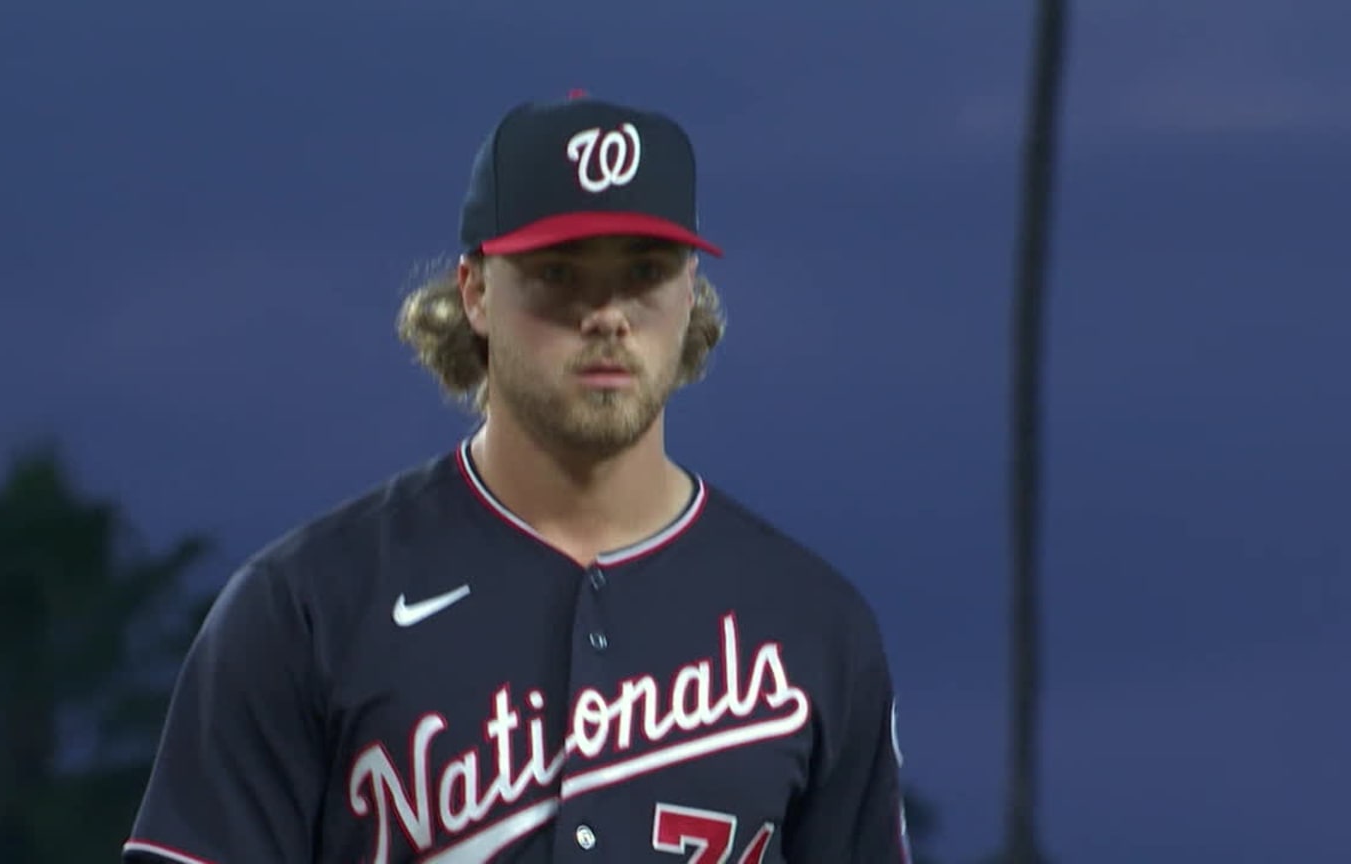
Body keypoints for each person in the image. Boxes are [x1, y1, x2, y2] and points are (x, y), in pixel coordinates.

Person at [123, 92, 914, 864]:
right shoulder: (309, 605)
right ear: (474, 293)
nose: (607, 314)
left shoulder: (813, 626)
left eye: (643, 272)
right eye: (560, 274)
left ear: (689, 295)